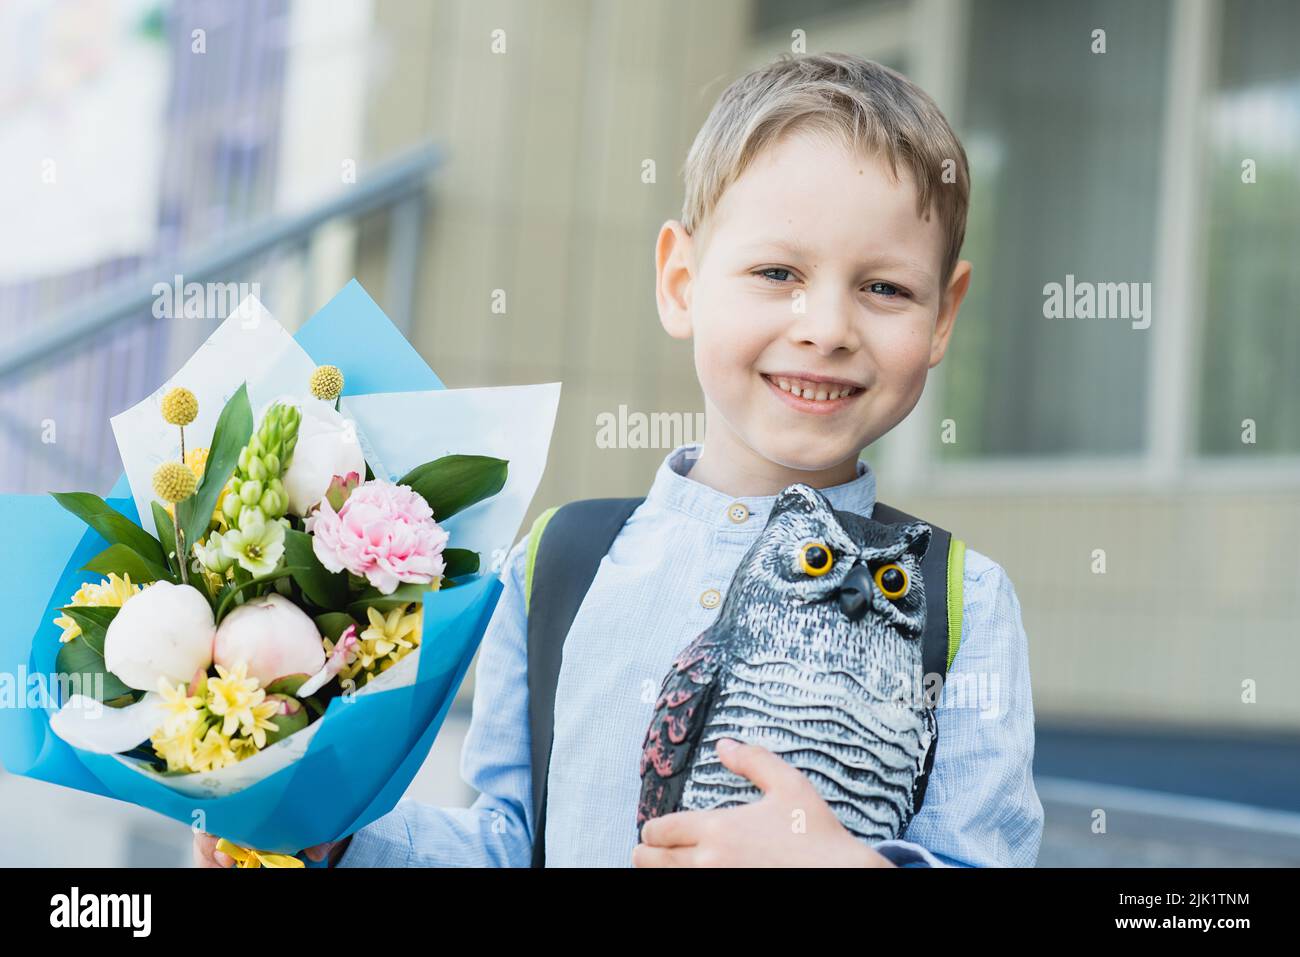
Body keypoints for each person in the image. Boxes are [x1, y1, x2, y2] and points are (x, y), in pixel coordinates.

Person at [197, 51, 1043, 869]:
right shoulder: (559, 563)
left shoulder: (958, 601)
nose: (826, 326)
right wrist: (332, 839)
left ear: (943, 315)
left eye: (884, 288)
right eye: (778, 271)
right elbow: (506, 844)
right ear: (681, 280)